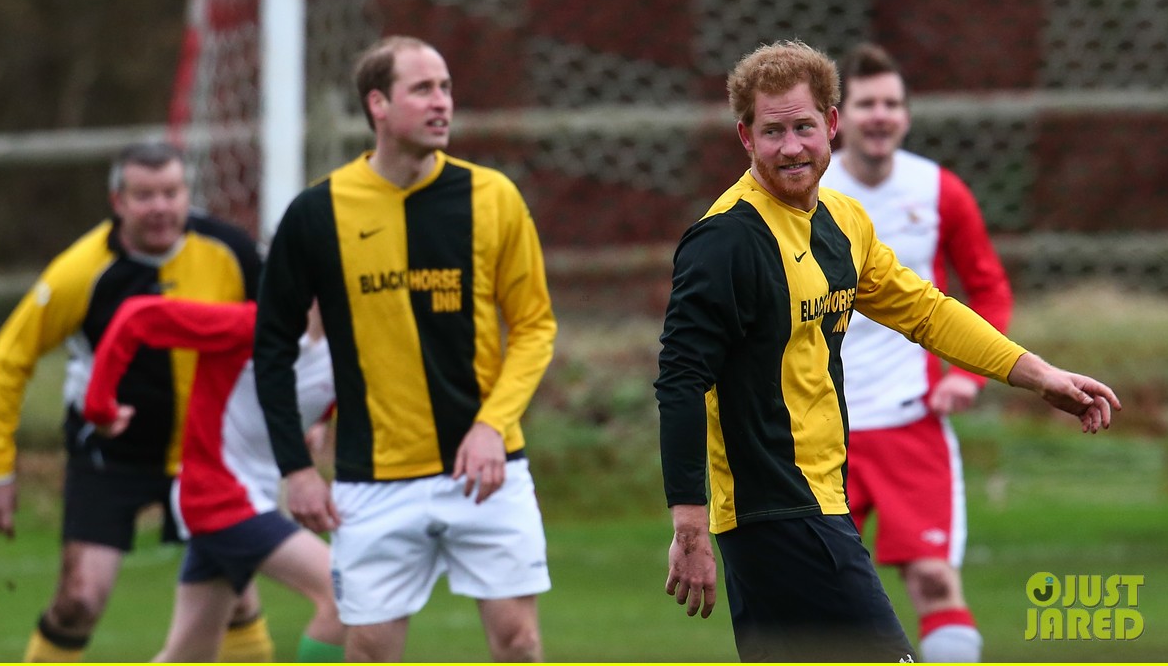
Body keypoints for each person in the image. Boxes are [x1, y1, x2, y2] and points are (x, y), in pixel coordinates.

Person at [655, 40, 1120, 663]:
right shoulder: (725, 241)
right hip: (777, 507)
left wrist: (1039, 376)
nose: (791, 146)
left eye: (803, 127)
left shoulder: (843, 221)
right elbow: (681, 380)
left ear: (831, 125)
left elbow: (926, 311)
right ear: (745, 136)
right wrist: (688, 523)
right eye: (772, 132)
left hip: (818, 499)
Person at [253, 35, 557, 662]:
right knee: (367, 649)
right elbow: (272, 346)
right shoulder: (316, 213)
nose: (442, 102)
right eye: (423, 89)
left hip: (487, 473)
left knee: (520, 642)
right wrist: (296, 468)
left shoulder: (493, 197)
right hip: (374, 480)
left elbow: (534, 327)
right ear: (378, 105)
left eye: (445, 87)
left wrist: (494, 427)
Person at [0, 142, 276, 662]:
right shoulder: (81, 272)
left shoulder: (232, 252)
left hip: (208, 456)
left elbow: (280, 338)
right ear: (118, 200)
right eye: (144, 195)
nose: (159, 206)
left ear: (188, 195)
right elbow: (8, 359)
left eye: (171, 192)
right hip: (109, 459)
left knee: (236, 601)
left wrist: (301, 418)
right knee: (78, 601)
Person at [824, 41, 1012, 662]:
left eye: (893, 103)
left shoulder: (938, 190)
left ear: (906, 115)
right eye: (867, 103)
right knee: (819, 601)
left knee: (933, 579)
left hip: (912, 421)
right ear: (838, 116)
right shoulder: (806, 192)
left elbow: (987, 288)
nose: (881, 115)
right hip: (819, 429)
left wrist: (969, 376)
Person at [82, 295, 346, 662]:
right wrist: (99, 407)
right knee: (344, 592)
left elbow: (315, 395)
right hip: (218, 497)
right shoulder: (250, 325)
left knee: (187, 655)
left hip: (253, 500)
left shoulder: (346, 344)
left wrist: (316, 426)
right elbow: (137, 316)